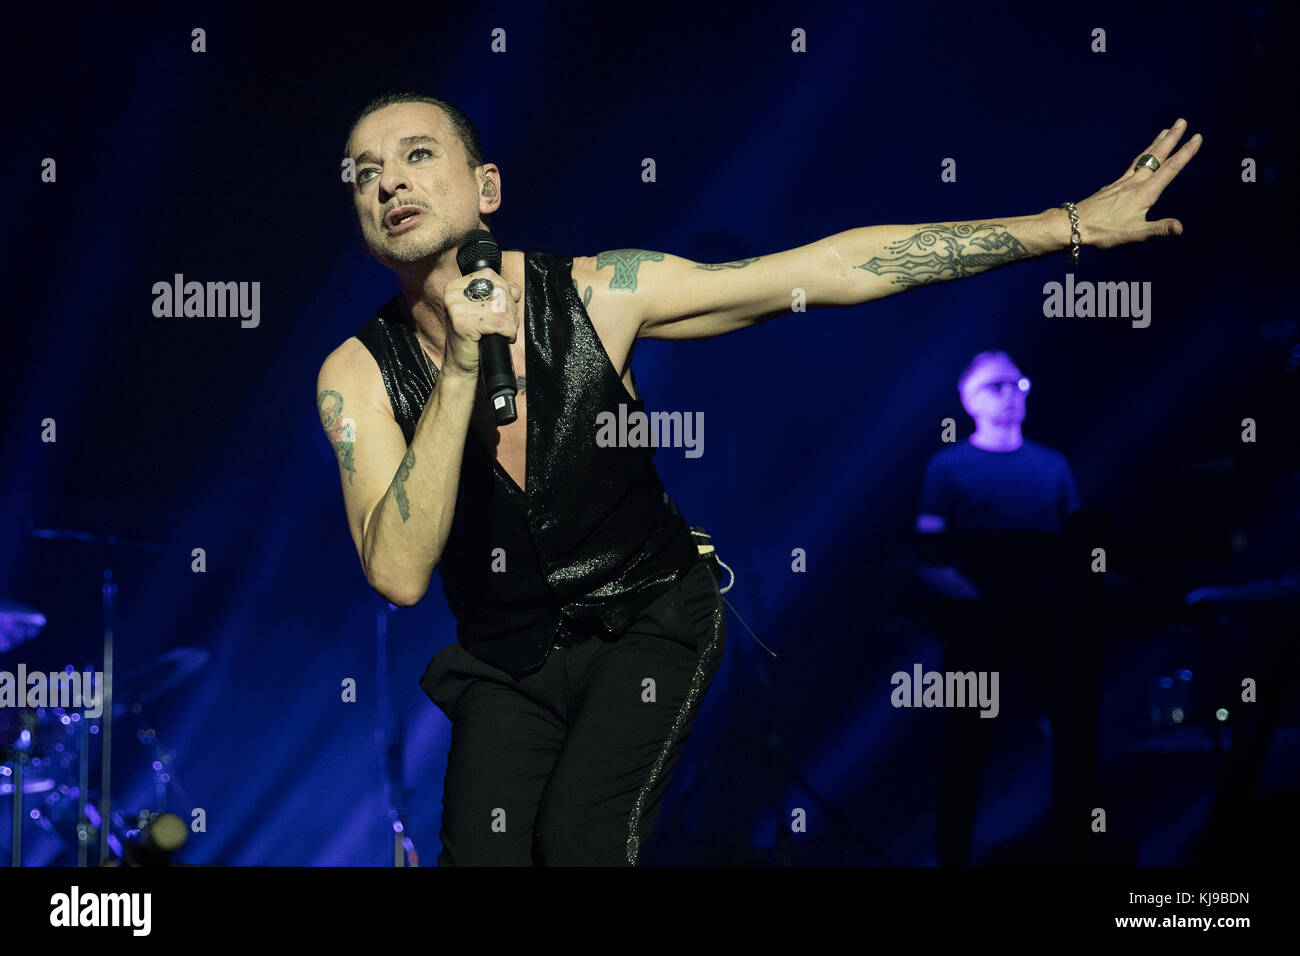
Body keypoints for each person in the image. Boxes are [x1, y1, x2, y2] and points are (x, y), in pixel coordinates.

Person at [316, 91, 1199, 865]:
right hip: (506, 659)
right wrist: (465, 369)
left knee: (581, 843)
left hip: (646, 622)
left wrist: (1067, 224)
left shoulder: (600, 293)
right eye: (364, 172)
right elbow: (397, 573)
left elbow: (823, 271)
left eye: (417, 155)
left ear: (487, 189)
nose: (389, 182)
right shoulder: (354, 376)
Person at [916, 350, 1098, 865]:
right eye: (995, 386)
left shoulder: (1052, 464)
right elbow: (928, 556)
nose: (1010, 394)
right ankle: (954, 858)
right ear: (967, 399)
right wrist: (979, 605)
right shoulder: (948, 467)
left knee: (1072, 741)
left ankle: (1081, 854)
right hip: (976, 631)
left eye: (1018, 383)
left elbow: (1081, 544)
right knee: (967, 748)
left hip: (1050, 625)